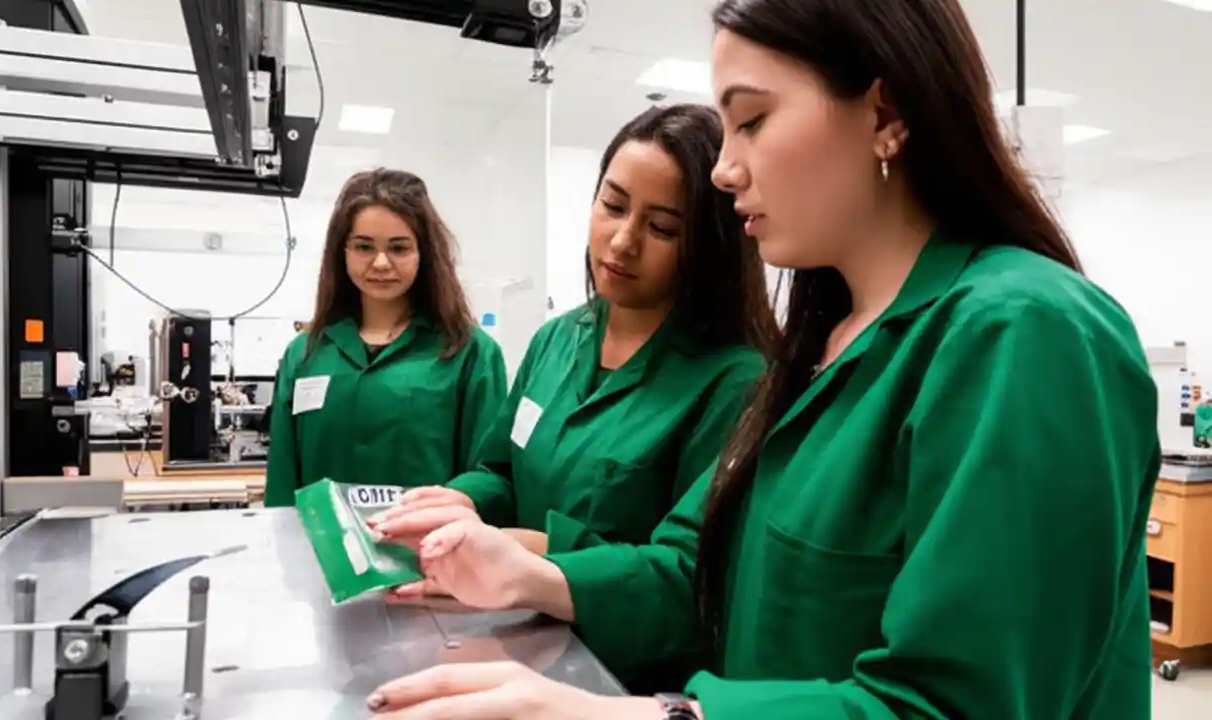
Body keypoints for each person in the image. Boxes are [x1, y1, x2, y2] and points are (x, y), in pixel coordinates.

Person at [365, 1, 1161, 719]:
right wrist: (521, 574)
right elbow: (699, 577)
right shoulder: (819, 354)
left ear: (884, 112)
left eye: (750, 121)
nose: (724, 168)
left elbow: (956, 703)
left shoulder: (1025, 333)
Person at [371, 104, 779, 562]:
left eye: (662, 228)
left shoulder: (735, 382)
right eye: (613, 206)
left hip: (588, 611)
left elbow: (687, 569)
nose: (623, 241)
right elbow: (500, 470)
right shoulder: (556, 340)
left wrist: (533, 553)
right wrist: (462, 500)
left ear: (709, 245)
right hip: (504, 601)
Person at [264, 168, 507, 507]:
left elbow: (490, 472)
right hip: (319, 540)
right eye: (364, 247)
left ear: (424, 254)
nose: (380, 263)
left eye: (399, 248)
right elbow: (282, 479)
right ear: (342, 252)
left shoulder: (469, 352)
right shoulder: (305, 354)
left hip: (427, 540)